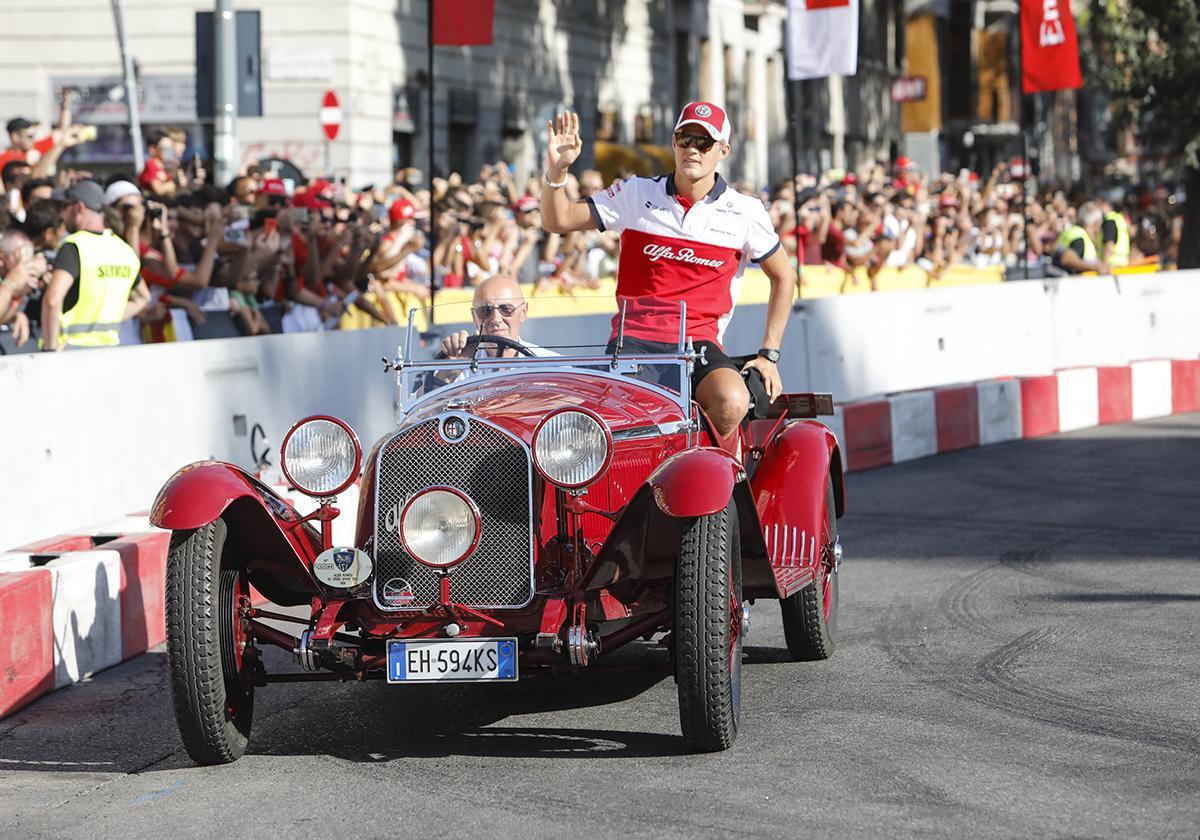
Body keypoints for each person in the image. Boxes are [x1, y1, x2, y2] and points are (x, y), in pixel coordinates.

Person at [540, 102, 794, 444]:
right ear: (674, 143)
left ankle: (724, 476)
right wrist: (557, 172)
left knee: (733, 400)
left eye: (704, 143)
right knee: (594, 431)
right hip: (632, 344)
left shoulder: (745, 211)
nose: (692, 149)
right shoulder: (636, 193)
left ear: (723, 151)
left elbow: (784, 276)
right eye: (684, 138)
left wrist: (768, 355)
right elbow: (558, 221)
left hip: (698, 345)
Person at [41, 180, 149, 350]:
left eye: (64, 206)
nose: (61, 215)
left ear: (78, 207)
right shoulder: (124, 250)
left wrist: (50, 349)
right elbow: (143, 298)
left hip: (70, 351)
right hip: (109, 351)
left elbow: (52, 300)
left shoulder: (74, 246)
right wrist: (108, 317)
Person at [438, 273, 555, 359]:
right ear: (474, 317)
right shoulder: (458, 362)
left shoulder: (549, 366)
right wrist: (448, 374)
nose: (495, 319)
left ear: (523, 312)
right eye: (485, 311)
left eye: (506, 309)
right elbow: (425, 392)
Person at [1053, 202, 1110, 276]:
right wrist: (1096, 267)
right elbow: (1067, 259)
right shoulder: (1079, 236)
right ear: (1097, 222)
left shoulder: (1073, 231)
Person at [1099, 200, 1131, 268]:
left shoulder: (1109, 219)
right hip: (1123, 262)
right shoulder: (1119, 218)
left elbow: (1109, 243)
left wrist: (1103, 265)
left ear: (1106, 205)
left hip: (1112, 264)